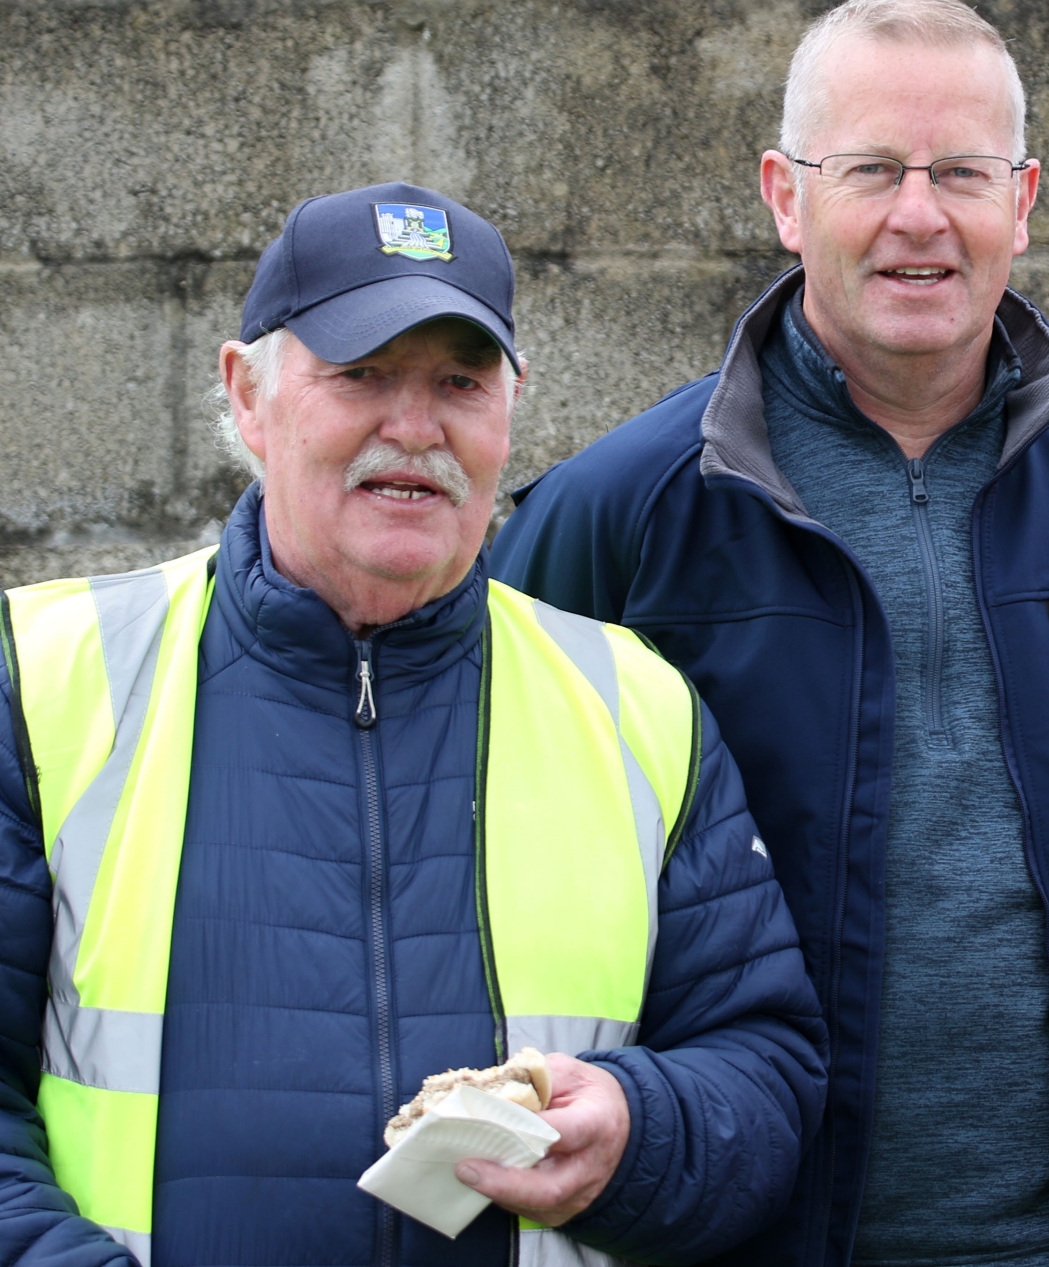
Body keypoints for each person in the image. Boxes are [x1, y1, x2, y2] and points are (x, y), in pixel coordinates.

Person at [491, 0, 1049, 1267]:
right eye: (873, 169)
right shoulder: (620, 518)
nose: (918, 215)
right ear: (785, 197)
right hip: (751, 1242)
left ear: (1025, 200)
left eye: (962, 171)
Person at [0, 182, 827, 1266]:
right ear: (248, 395)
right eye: (361, 376)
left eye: (459, 381)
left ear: (510, 409)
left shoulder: (636, 703)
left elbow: (765, 1070)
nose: (414, 427)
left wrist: (643, 1131)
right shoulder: (41, 679)